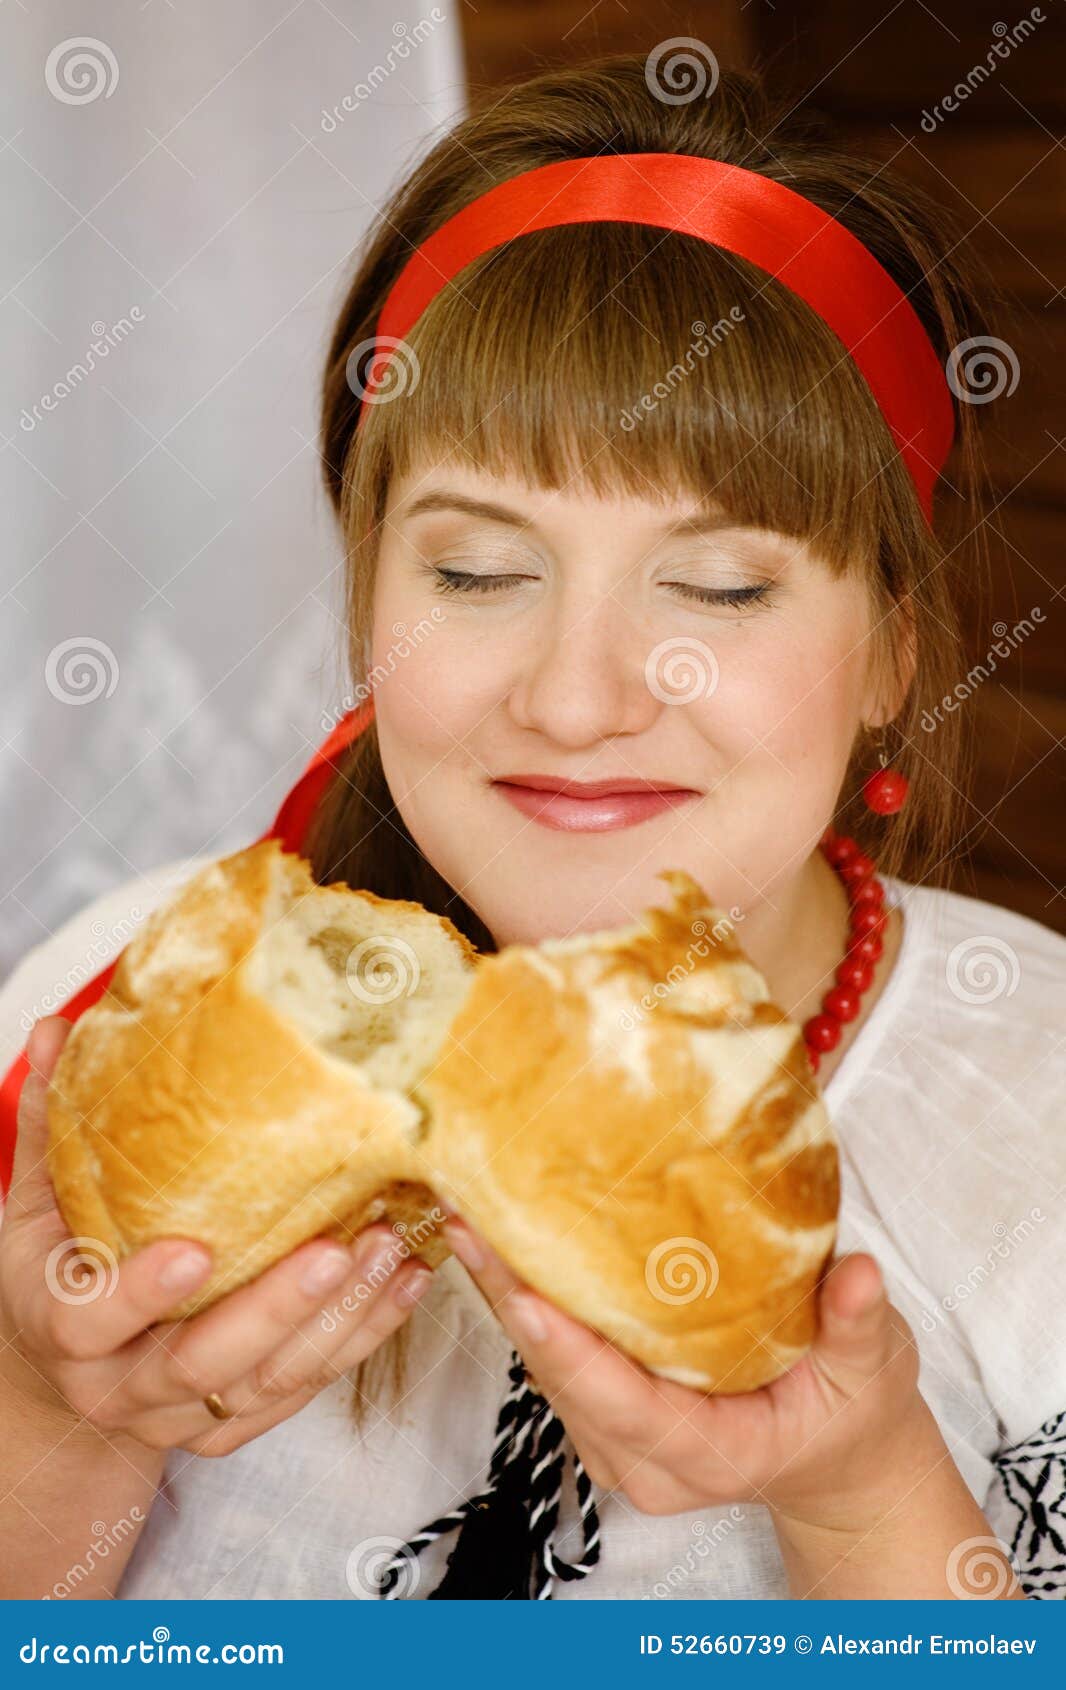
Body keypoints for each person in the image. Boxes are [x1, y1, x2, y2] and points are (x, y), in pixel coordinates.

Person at [1, 55, 1064, 1602]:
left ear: (895, 647)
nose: (575, 700)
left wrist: (854, 1494)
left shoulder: (1033, 1115)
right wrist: (54, 1419)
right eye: (478, 571)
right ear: (368, 604)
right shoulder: (123, 1014)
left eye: (718, 586)